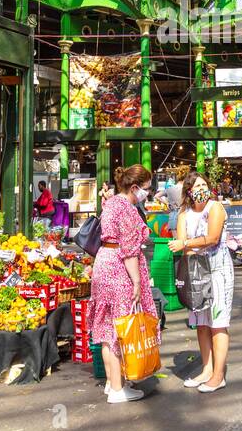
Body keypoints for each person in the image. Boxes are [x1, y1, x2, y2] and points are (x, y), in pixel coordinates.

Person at [87, 164, 160, 403]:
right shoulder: (127, 210)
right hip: (119, 268)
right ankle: (118, 389)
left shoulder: (111, 204)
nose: (147, 193)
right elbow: (129, 250)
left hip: (103, 265)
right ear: (135, 187)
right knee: (122, 326)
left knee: (108, 328)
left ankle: (112, 383)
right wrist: (138, 281)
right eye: (146, 189)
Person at [168, 172, 233, 393]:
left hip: (217, 270)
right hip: (196, 271)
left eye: (204, 185)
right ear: (188, 190)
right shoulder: (184, 213)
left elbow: (213, 237)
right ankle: (207, 369)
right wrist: (185, 244)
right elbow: (181, 242)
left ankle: (218, 375)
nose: (201, 189)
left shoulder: (214, 207)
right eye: (197, 186)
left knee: (217, 322)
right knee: (201, 322)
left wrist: (185, 242)